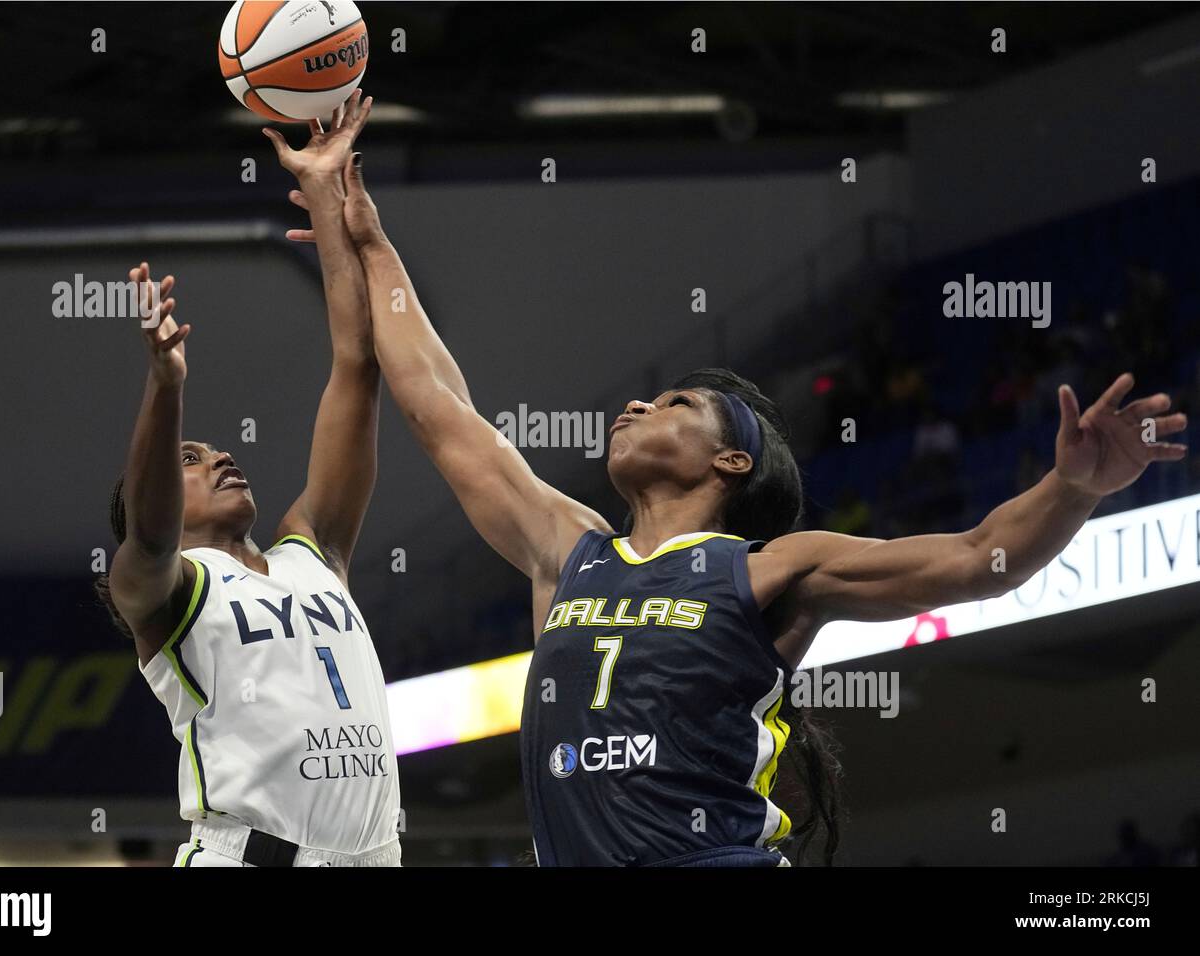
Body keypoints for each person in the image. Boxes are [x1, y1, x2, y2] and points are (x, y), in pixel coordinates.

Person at [278, 104, 1187, 866]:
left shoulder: (768, 571)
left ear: (731, 461)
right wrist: (367, 236)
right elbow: (438, 406)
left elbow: (972, 559)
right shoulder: (569, 552)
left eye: (674, 401)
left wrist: (1074, 487)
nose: (637, 402)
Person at [95, 93, 401, 867]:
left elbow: (358, 368)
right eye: (188, 460)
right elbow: (153, 531)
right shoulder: (161, 590)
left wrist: (330, 208)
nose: (219, 458)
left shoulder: (314, 550)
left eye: (212, 451)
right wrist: (166, 385)